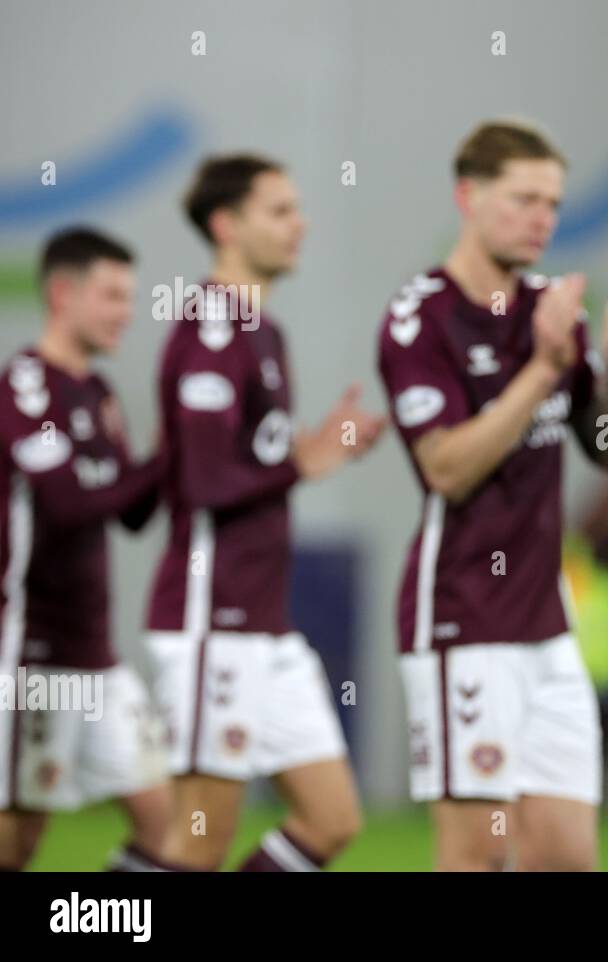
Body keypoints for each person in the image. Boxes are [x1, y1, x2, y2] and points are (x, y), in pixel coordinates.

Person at [377, 120, 608, 870]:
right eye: (524, 199)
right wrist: (540, 367)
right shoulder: (420, 320)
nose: (543, 218)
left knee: (563, 862)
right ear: (468, 196)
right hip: (461, 622)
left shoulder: (547, 308)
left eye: (553, 203)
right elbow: (446, 467)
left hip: (546, 629)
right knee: (476, 857)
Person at [139, 155, 385, 871]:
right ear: (225, 224)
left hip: (264, 626)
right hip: (210, 622)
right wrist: (306, 461)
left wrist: (315, 445)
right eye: (279, 210)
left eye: (297, 207)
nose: (299, 222)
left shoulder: (261, 332)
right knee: (196, 845)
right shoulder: (213, 329)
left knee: (333, 818)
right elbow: (206, 479)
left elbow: (250, 465)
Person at [0, 227, 169, 871]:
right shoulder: (24, 387)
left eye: (130, 297)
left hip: (95, 655)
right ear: (62, 293)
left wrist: (172, 458)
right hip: (29, 651)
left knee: (168, 829)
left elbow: (130, 512)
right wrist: (168, 456)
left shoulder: (98, 393)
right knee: (18, 841)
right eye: (112, 295)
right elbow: (69, 504)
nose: (126, 311)